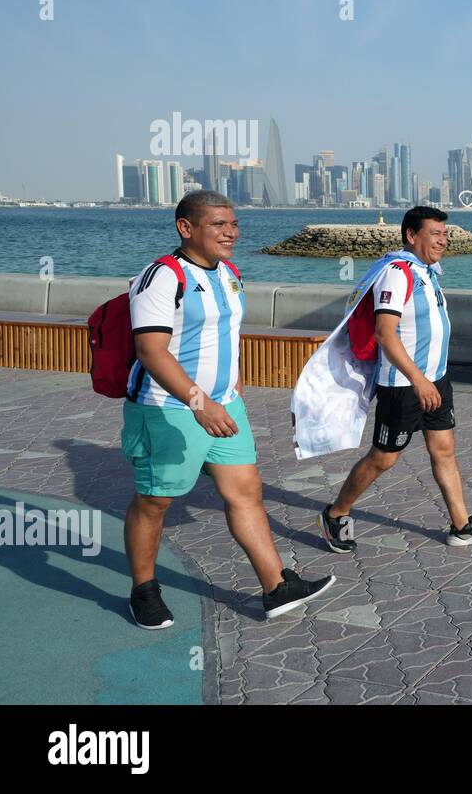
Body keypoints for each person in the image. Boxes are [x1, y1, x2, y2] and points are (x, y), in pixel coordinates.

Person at [123, 190, 335, 629]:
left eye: (234, 224)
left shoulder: (229, 274)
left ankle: (277, 587)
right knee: (155, 501)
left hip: (224, 406)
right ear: (186, 227)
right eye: (219, 224)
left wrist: (232, 382)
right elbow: (150, 350)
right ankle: (144, 591)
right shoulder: (162, 277)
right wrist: (199, 403)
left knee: (245, 492)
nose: (231, 232)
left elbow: (226, 332)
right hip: (168, 408)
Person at [318, 206, 472, 553]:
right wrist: (418, 380)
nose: (443, 241)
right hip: (404, 386)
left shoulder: (427, 272)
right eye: (435, 233)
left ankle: (462, 526)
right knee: (385, 458)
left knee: (444, 451)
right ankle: (335, 513)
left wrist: (430, 379)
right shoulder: (396, 272)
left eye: (445, 234)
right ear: (411, 235)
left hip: (436, 381)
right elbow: (385, 334)